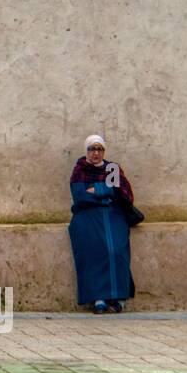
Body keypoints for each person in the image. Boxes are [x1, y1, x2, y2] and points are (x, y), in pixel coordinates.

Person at [67, 134, 136, 314]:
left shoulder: (111, 168)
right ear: (86, 151)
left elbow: (120, 192)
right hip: (88, 217)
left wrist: (96, 189)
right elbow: (80, 196)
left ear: (104, 151)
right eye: (92, 149)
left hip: (113, 215)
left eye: (99, 149)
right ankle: (98, 298)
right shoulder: (80, 169)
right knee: (95, 252)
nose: (96, 153)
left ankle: (118, 298)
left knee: (116, 251)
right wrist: (105, 192)